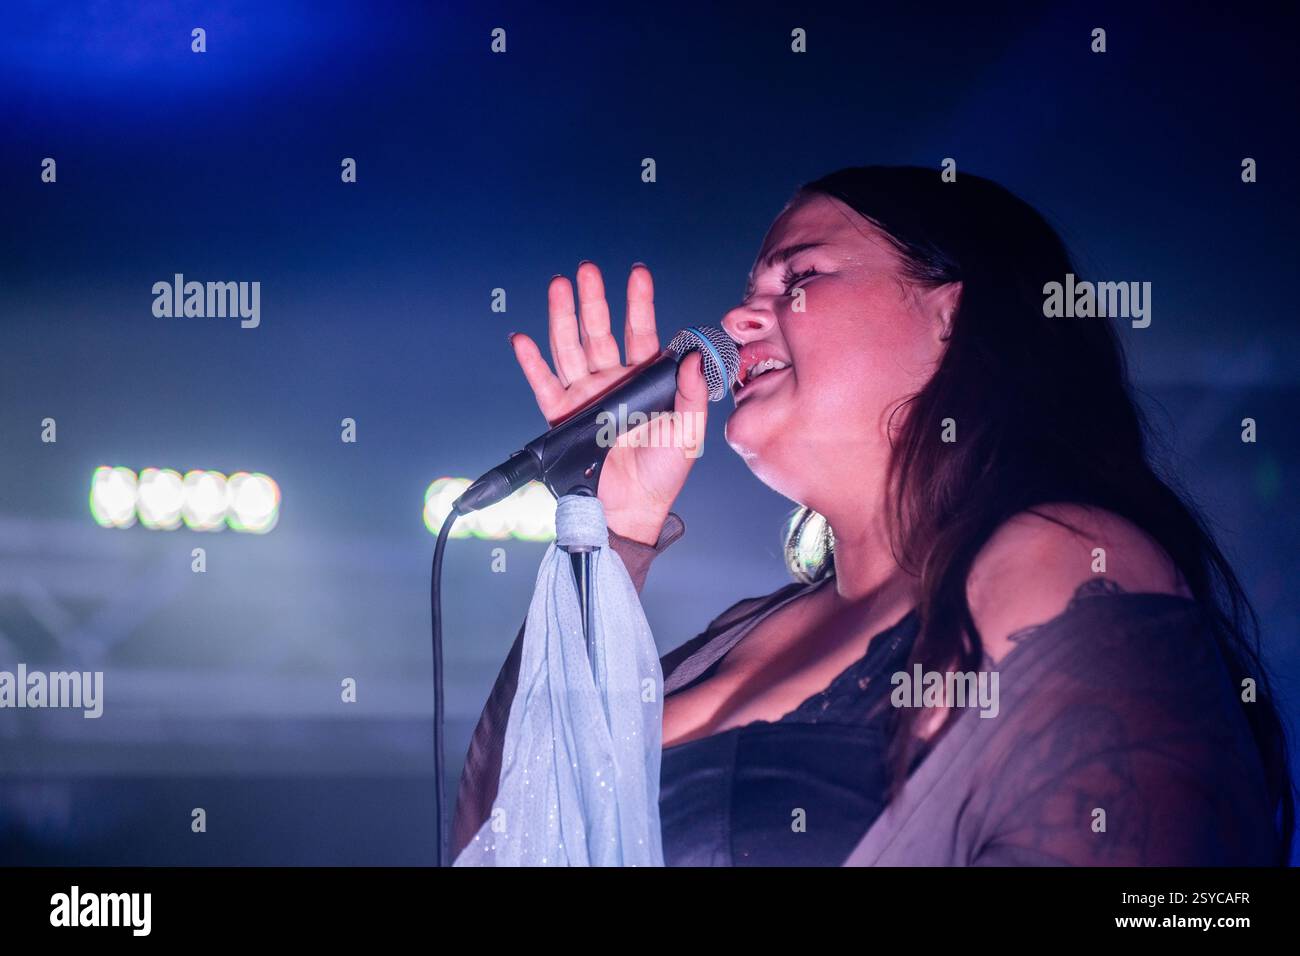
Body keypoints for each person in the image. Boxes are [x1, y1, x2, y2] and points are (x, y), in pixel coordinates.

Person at [452, 166, 1294, 866]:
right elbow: (498, 831)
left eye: (801, 277)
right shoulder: (743, 630)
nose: (737, 322)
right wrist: (612, 525)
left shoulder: (1059, 560)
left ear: (951, 315)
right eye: (750, 292)